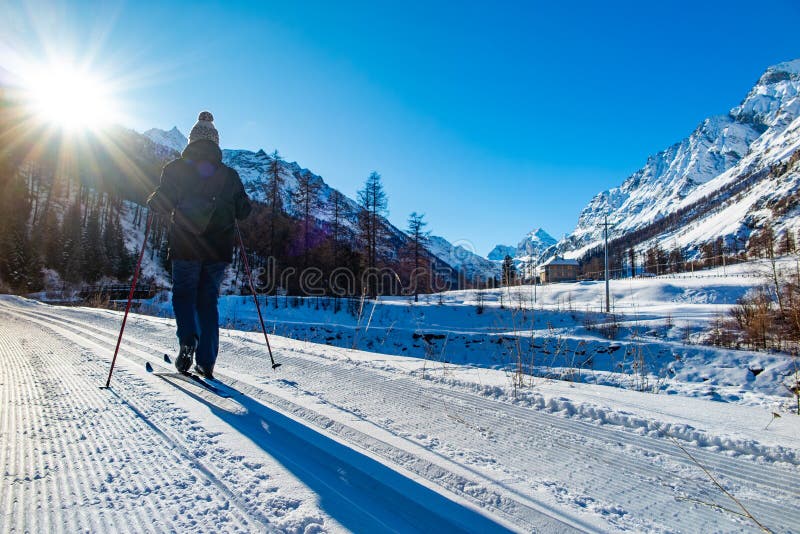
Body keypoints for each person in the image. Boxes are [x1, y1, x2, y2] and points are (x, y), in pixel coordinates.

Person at [147, 111, 252, 379]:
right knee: (207, 300)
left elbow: (163, 202)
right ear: (216, 143)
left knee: (184, 294)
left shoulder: (174, 169)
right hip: (218, 249)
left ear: (191, 140)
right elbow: (244, 211)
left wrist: (154, 201)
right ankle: (206, 361)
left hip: (185, 245)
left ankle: (187, 341)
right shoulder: (230, 175)